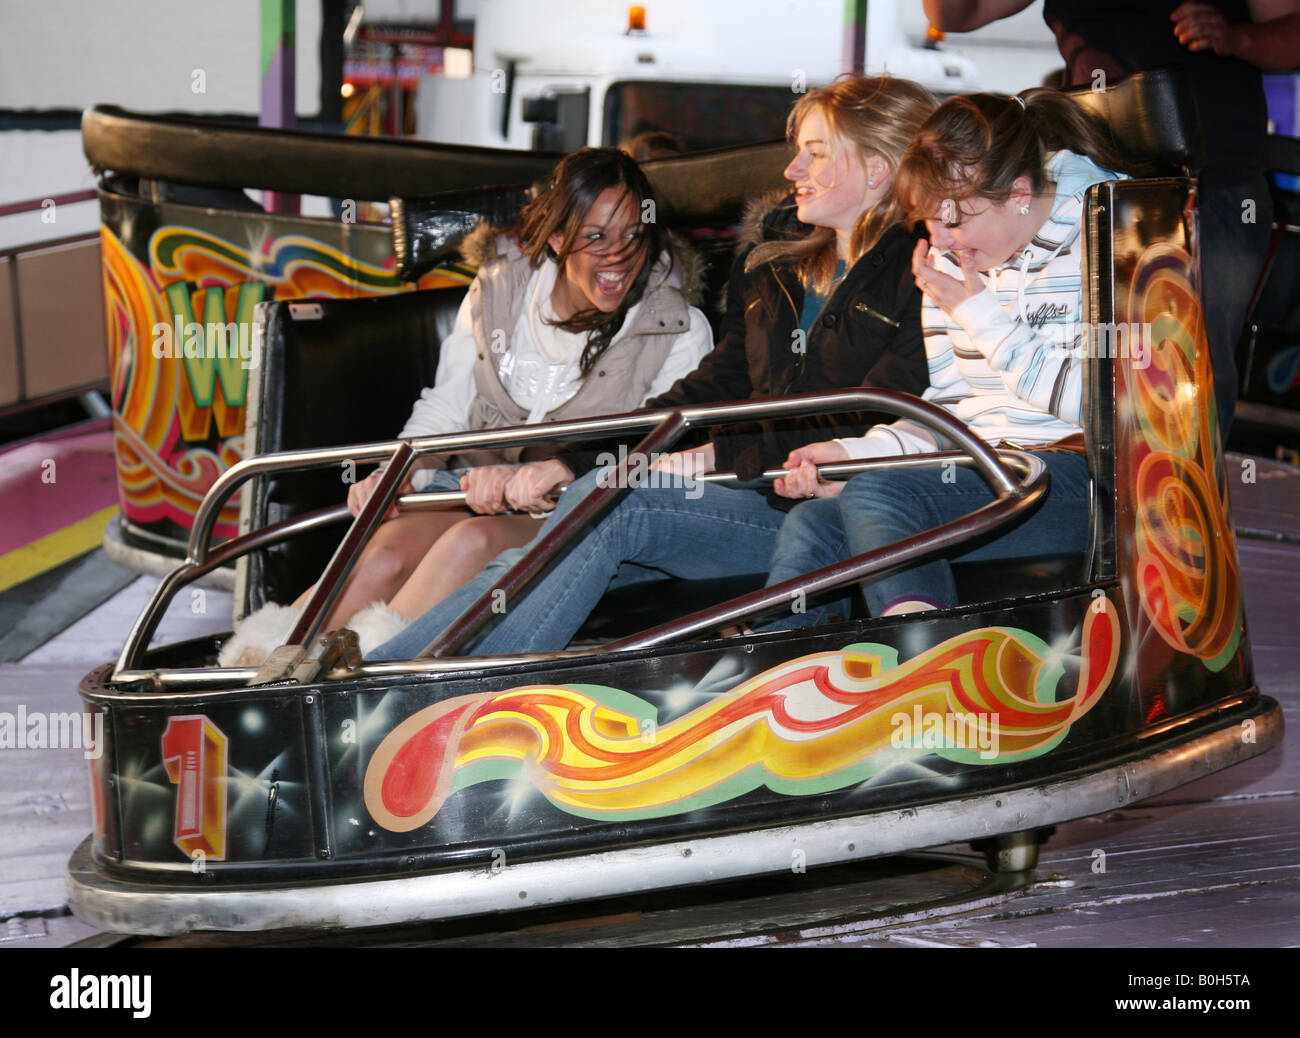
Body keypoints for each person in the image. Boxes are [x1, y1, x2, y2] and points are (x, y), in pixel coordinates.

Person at [370, 75, 938, 660]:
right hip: (749, 495)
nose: (792, 171)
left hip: (824, 513)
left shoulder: (923, 275)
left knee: (622, 502)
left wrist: (714, 455)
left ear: (876, 168)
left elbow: (869, 417)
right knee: (577, 513)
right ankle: (385, 672)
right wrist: (577, 457)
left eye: (814, 154)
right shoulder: (777, 263)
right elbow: (707, 391)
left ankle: (393, 686)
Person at [219, 147, 713, 666]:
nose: (619, 256)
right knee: (385, 552)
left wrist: (548, 478)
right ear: (557, 237)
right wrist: (398, 471)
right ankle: (254, 664)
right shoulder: (500, 287)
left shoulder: (676, 327)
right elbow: (447, 407)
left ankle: (358, 676)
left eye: (633, 235)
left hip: (583, 514)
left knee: (468, 541)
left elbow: (659, 461)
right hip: (473, 489)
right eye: (596, 237)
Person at [759, 88, 1127, 625]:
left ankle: (927, 665)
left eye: (955, 221)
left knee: (879, 495)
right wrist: (856, 453)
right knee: (817, 522)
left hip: (1088, 476)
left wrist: (982, 313)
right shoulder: (954, 261)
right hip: (992, 469)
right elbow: (953, 406)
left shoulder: (1110, 236)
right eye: (930, 223)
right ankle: (777, 682)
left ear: (1021, 194)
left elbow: (1107, 405)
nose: (943, 241)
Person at [923, 0, 1300, 433]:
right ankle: (1063, 481)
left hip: (1213, 182)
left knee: (1191, 361)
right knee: (1071, 356)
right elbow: (952, 15)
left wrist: (1237, 37)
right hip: (1084, 184)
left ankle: (1185, 498)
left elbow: (1292, 35)